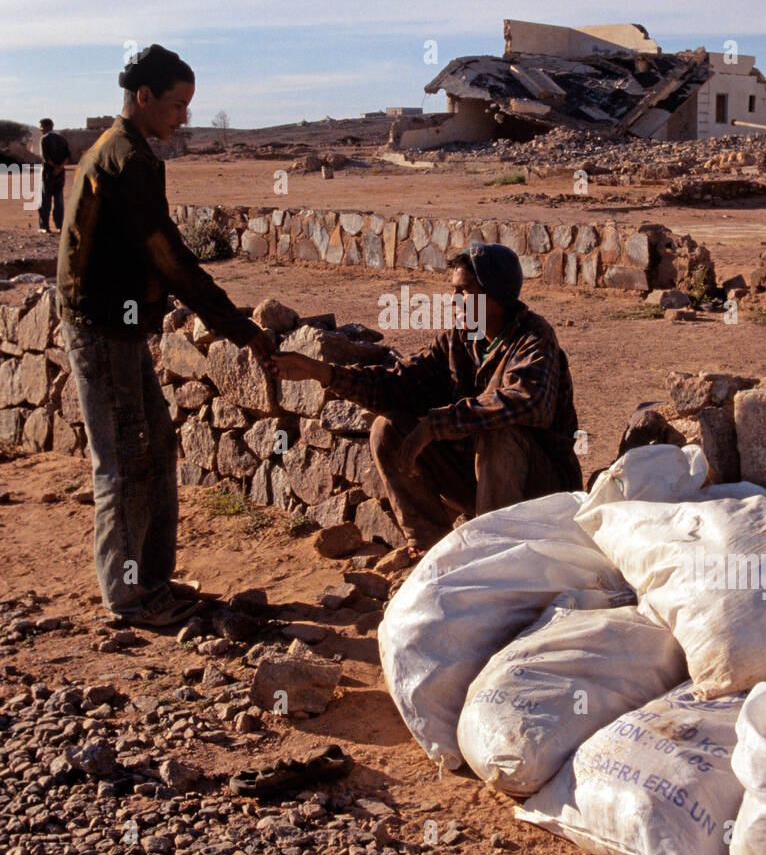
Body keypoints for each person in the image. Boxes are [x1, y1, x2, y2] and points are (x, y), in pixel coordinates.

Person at [57, 44, 275, 628]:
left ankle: (150, 580)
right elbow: (171, 260)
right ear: (143, 97)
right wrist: (236, 327)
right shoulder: (127, 160)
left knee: (153, 449)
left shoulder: (122, 153)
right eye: (177, 105)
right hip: (102, 330)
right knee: (126, 461)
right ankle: (130, 595)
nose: (184, 118)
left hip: (116, 328)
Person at [272, 242, 582, 554]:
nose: (454, 300)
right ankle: (427, 548)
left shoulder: (534, 339)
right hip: (481, 484)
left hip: (544, 493)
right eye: (453, 290)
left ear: (496, 294)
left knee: (497, 432)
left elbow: (525, 402)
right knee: (388, 428)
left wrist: (438, 424)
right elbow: (396, 383)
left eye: (464, 291)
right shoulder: (457, 341)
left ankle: (493, 555)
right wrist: (321, 372)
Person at [37, 117, 71, 234]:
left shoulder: (44, 139)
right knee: (59, 200)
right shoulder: (62, 139)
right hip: (60, 174)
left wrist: (54, 167)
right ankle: (60, 226)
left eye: (42, 126)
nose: (40, 129)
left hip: (48, 173)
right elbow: (68, 156)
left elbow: (46, 158)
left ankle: (44, 226)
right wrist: (60, 168)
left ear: (49, 126)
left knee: (44, 200)